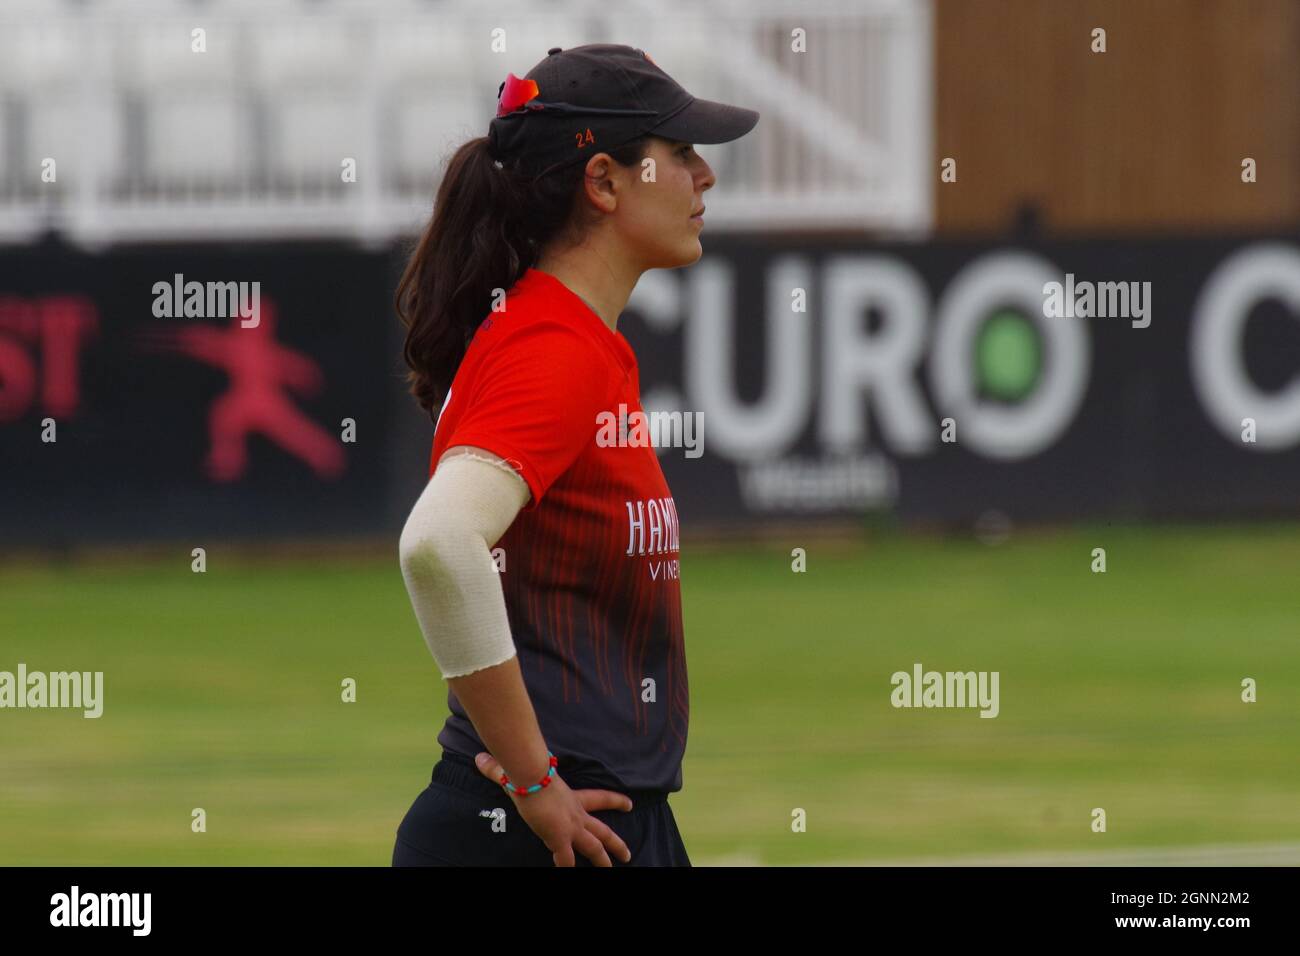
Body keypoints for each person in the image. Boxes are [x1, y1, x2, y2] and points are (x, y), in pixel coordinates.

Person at [390, 43, 758, 866]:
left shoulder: (570, 336)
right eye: (680, 153)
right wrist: (531, 780)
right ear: (603, 182)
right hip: (549, 829)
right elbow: (440, 546)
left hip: (585, 818)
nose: (706, 177)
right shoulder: (551, 345)